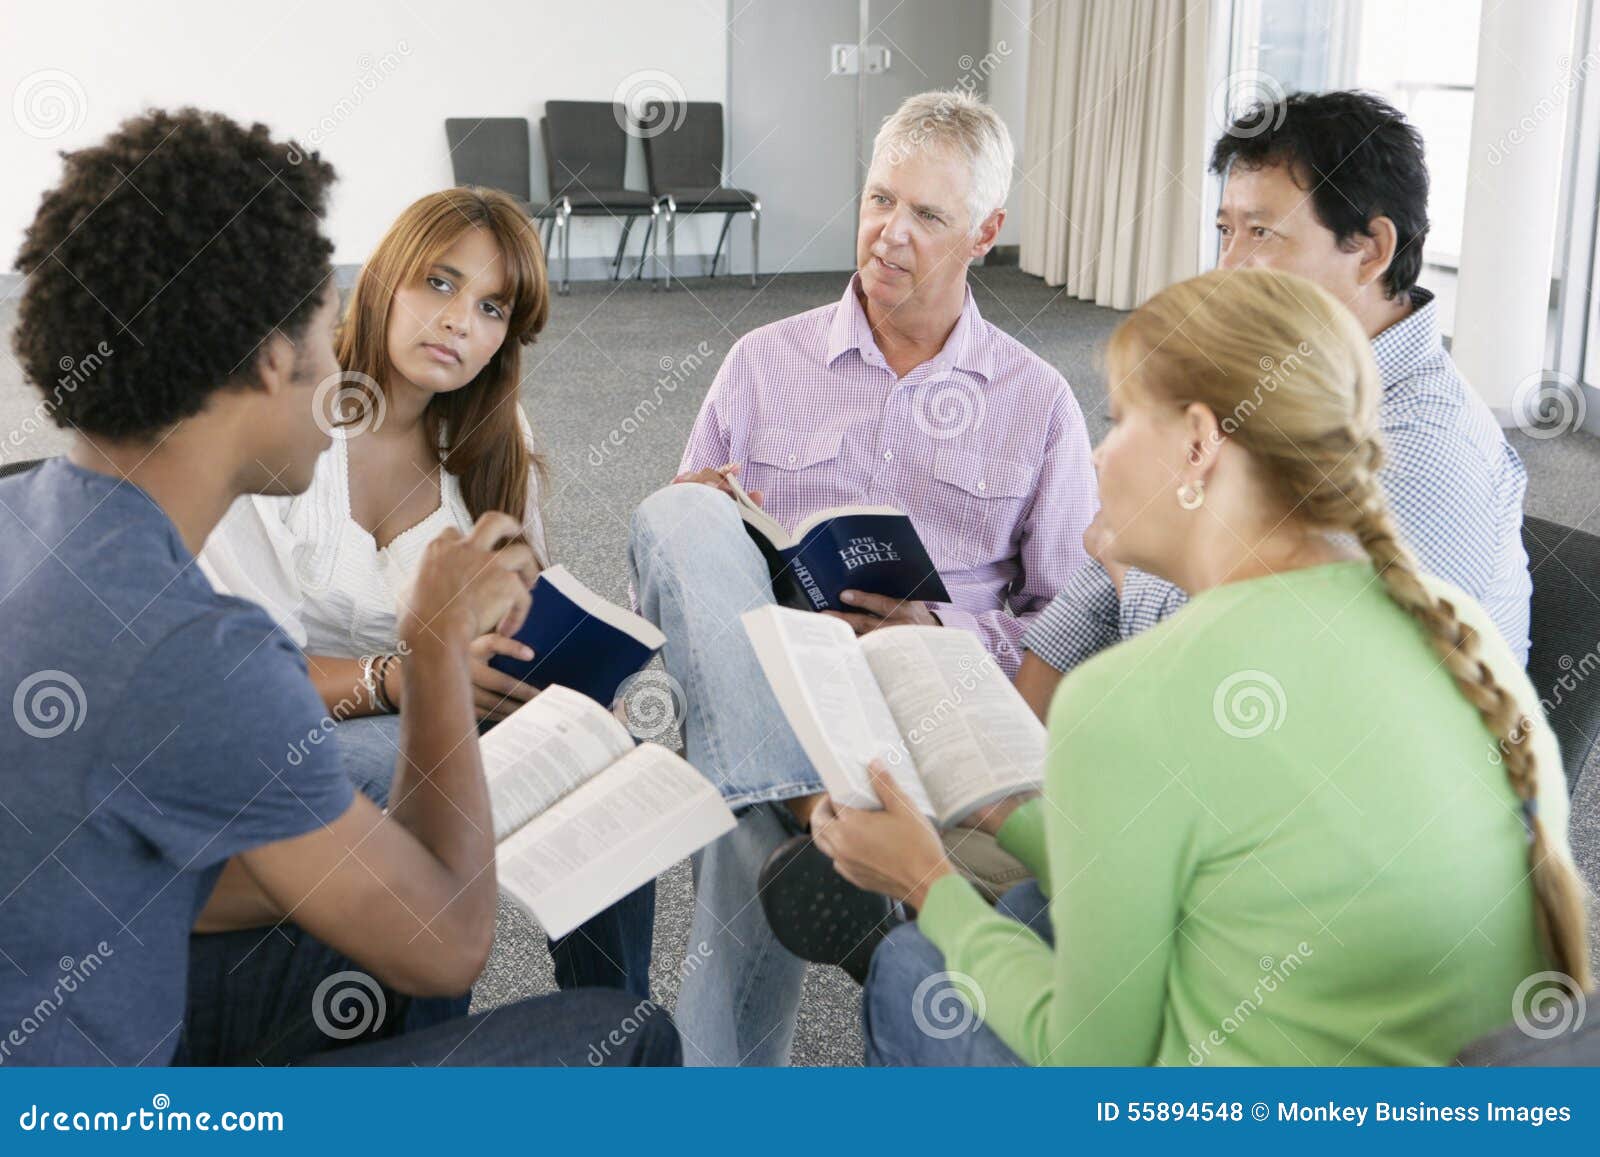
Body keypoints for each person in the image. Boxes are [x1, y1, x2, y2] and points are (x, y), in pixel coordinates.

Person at [0, 108, 677, 1067]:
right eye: (327, 327)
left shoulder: (24, 520)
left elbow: (148, 863)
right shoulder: (203, 647)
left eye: (490, 308)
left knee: (365, 897)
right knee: (628, 1040)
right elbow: (449, 940)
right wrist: (432, 655)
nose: (337, 373)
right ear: (278, 360)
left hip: (98, 1004)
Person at [809, 268, 1587, 1065]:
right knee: (1045, 900)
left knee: (912, 964)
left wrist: (927, 881)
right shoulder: (1463, 636)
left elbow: (1089, 1063)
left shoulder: (1130, 698)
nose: (1099, 456)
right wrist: (1011, 818)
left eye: (1114, 423)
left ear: (1198, 442)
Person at [627, 88, 1097, 1065]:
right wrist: (714, 515)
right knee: (678, 513)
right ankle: (801, 802)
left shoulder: (1038, 400)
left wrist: (943, 635)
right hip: (783, 690)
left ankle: (800, 820)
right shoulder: (761, 363)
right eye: (880, 199)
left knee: (747, 835)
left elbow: (1072, 617)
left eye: (927, 215)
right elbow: (679, 566)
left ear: (985, 232)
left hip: (941, 709)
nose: (890, 233)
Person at [199, 186, 652, 1000]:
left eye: (490, 308)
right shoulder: (283, 417)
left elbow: (515, 614)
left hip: (450, 713)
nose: (457, 322)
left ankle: (613, 1024)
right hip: (290, 732)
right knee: (408, 782)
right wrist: (401, 675)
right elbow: (226, 675)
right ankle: (425, 1058)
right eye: (438, 284)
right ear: (384, 279)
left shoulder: (492, 439)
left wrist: (558, 684)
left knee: (604, 761)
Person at [1015, 90, 1532, 718]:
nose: (1226, 268)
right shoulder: (1262, 375)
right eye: (1226, 231)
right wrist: (1008, 760)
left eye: (1262, 232)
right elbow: (1101, 577)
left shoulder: (1426, 445)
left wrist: (1132, 559)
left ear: (1370, 249)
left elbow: (1270, 682)